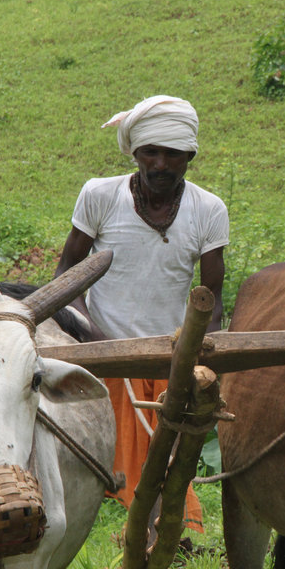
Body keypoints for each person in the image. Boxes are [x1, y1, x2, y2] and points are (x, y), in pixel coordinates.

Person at [54, 95, 229, 534]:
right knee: (94, 468)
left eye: (173, 154)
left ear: (190, 156)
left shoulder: (209, 210)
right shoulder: (100, 195)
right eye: (150, 152)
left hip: (171, 359)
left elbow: (213, 296)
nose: (161, 164)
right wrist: (91, 336)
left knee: (166, 465)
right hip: (104, 357)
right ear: (134, 153)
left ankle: (165, 531)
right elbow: (66, 276)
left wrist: (202, 356)